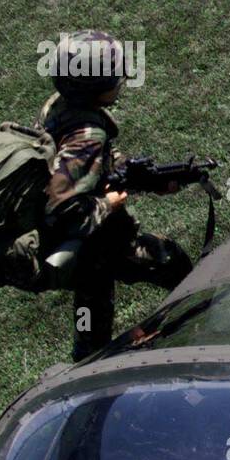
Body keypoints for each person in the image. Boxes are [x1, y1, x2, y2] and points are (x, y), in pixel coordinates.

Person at [38, 30, 192, 359]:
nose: (121, 78)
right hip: (99, 241)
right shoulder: (87, 135)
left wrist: (140, 178)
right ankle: (205, 313)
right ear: (97, 88)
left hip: (83, 251)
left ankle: (88, 366)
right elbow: (60, 208)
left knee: (91, 317)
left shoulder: (61, 106)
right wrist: (109, 203)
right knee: (171, 262)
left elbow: (87, 167)